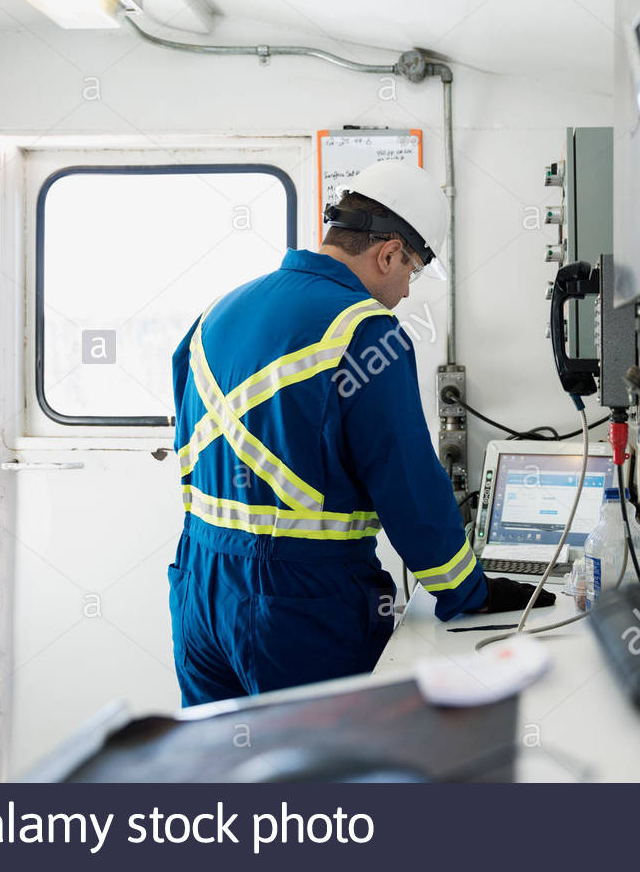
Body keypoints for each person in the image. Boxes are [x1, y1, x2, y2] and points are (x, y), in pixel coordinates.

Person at [167, 160, 554, 707]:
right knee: (323, 778)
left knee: (220, 769)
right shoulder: (366, 330)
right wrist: (469, 590)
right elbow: (409, 488)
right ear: (389, 252)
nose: (403, 291)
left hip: (200, 588)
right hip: (301, 605)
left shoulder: (217, 312)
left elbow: (187, 442)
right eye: (412, 271)